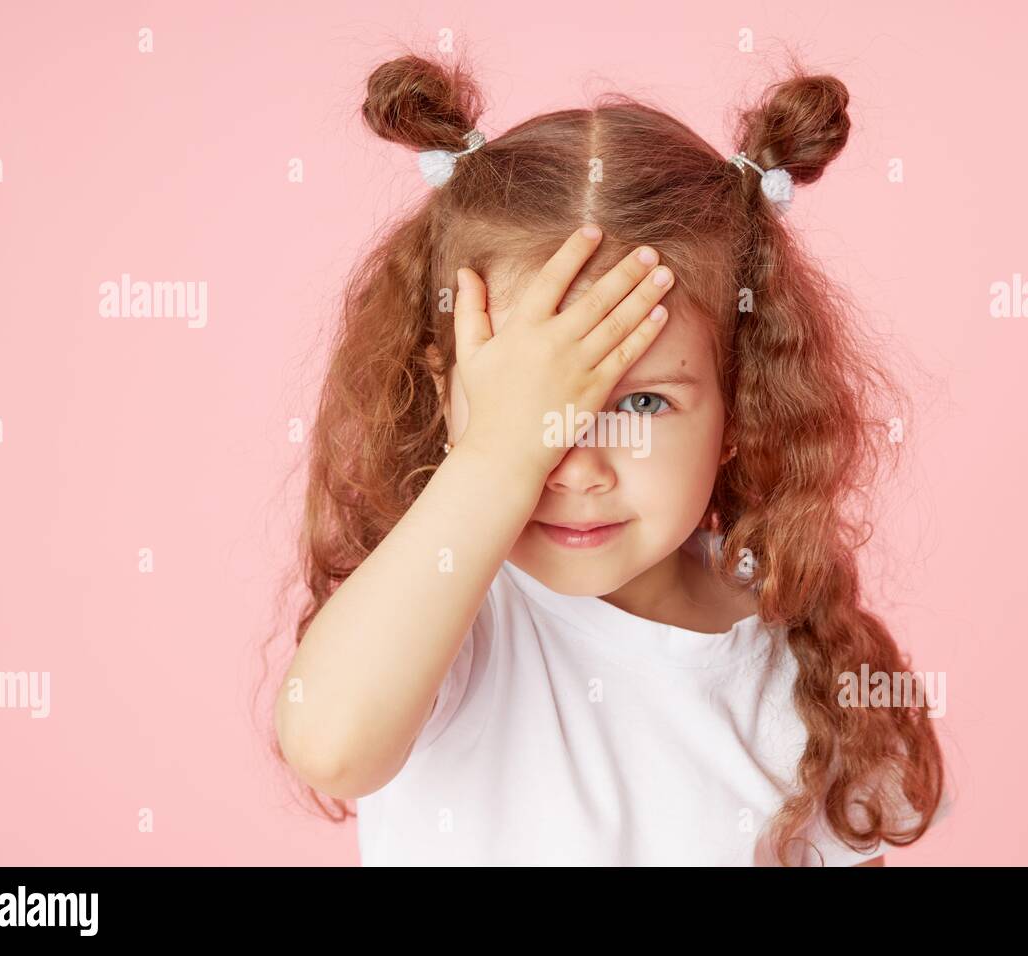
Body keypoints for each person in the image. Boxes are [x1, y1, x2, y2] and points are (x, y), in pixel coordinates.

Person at [271, 52, 950, 866]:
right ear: (446, 400)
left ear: (740, 406)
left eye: (639, 405)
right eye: (524, 412)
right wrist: (495, 457)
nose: (578, 466)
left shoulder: (801, 681)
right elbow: (330, 743)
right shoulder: (456, 620)